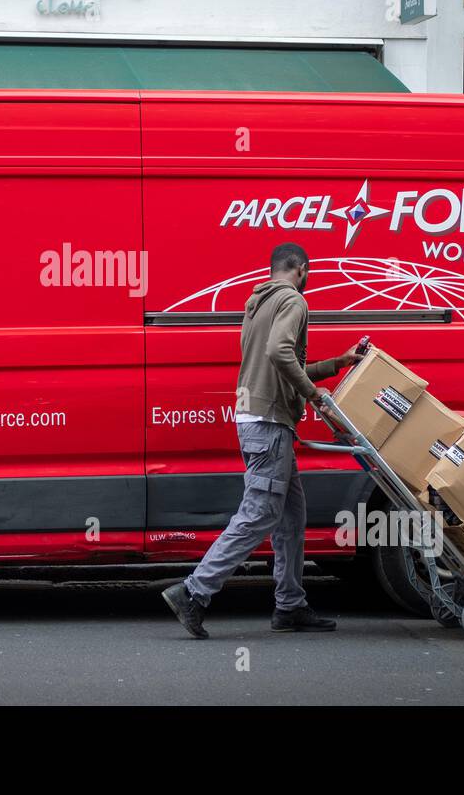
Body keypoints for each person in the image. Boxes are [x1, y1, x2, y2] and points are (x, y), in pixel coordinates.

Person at [162, 242, 363, 638]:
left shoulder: (256, 304)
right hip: (270, 423)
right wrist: (313, 394)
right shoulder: (293, 301)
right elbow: (279, 352)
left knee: (291, 516)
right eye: (308, 273)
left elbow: (281, 361)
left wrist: (336, 364)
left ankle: (290, 605)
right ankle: (193, 592)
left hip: (257, 418)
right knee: (259, 513)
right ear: (301, 269)